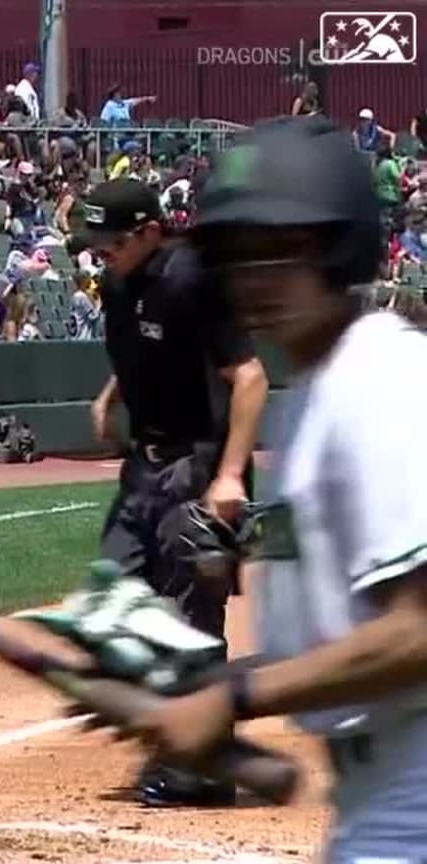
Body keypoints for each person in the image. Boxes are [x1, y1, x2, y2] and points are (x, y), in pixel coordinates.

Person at [127, 114, 427, 860]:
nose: (254, 281)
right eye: (237, 258)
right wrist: (197, 688)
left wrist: (233, 697)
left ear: (339, 250)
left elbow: (419, 629)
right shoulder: (309, 399)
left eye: (279, 252)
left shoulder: (380, 380)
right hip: (376, 795)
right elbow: (342, 635)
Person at [83, 177, 269, 806]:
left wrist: (230, 476)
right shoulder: (119, 280)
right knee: (112, 601)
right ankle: (181, 738)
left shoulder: (196, 279)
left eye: (110, 242)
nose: (99, 253)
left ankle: (205, 766)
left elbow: (249, 378)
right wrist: (112, 393)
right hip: (144, 465)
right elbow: (140, 340)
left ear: (149, 232)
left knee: (191, 620)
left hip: (199, 466)